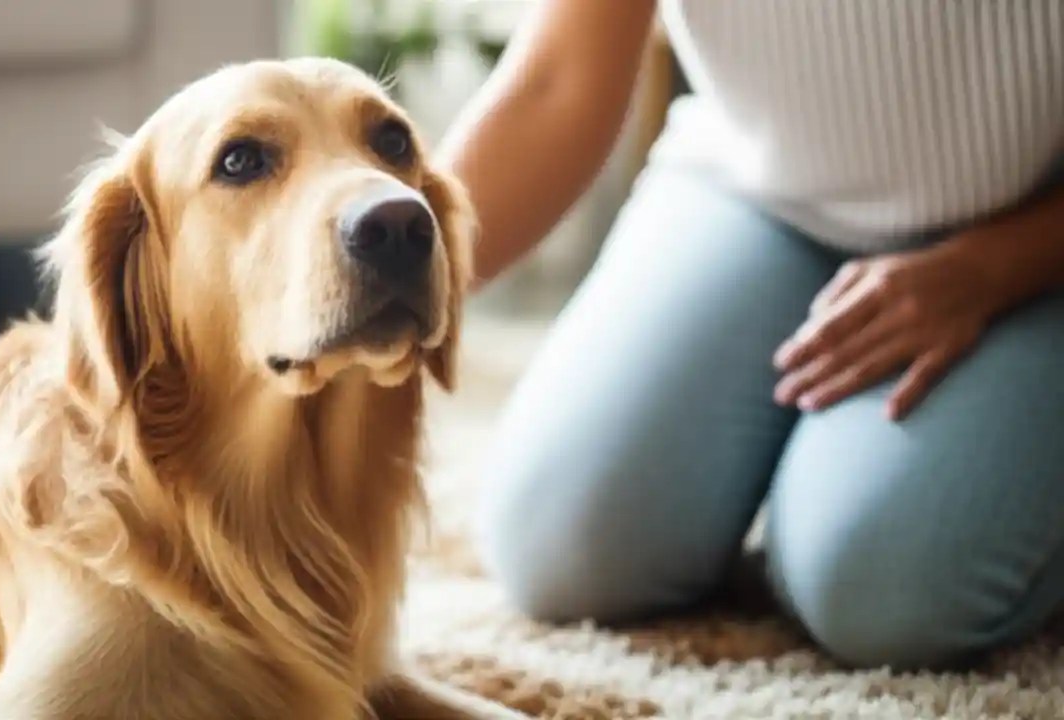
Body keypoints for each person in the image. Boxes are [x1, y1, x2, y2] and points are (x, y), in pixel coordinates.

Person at [435, 0, 1064, 671]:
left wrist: (991, 268)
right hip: (756, 184)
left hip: (1030, 234)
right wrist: (379, 293)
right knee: (561, 543)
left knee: (887, 590)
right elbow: (556, 82)